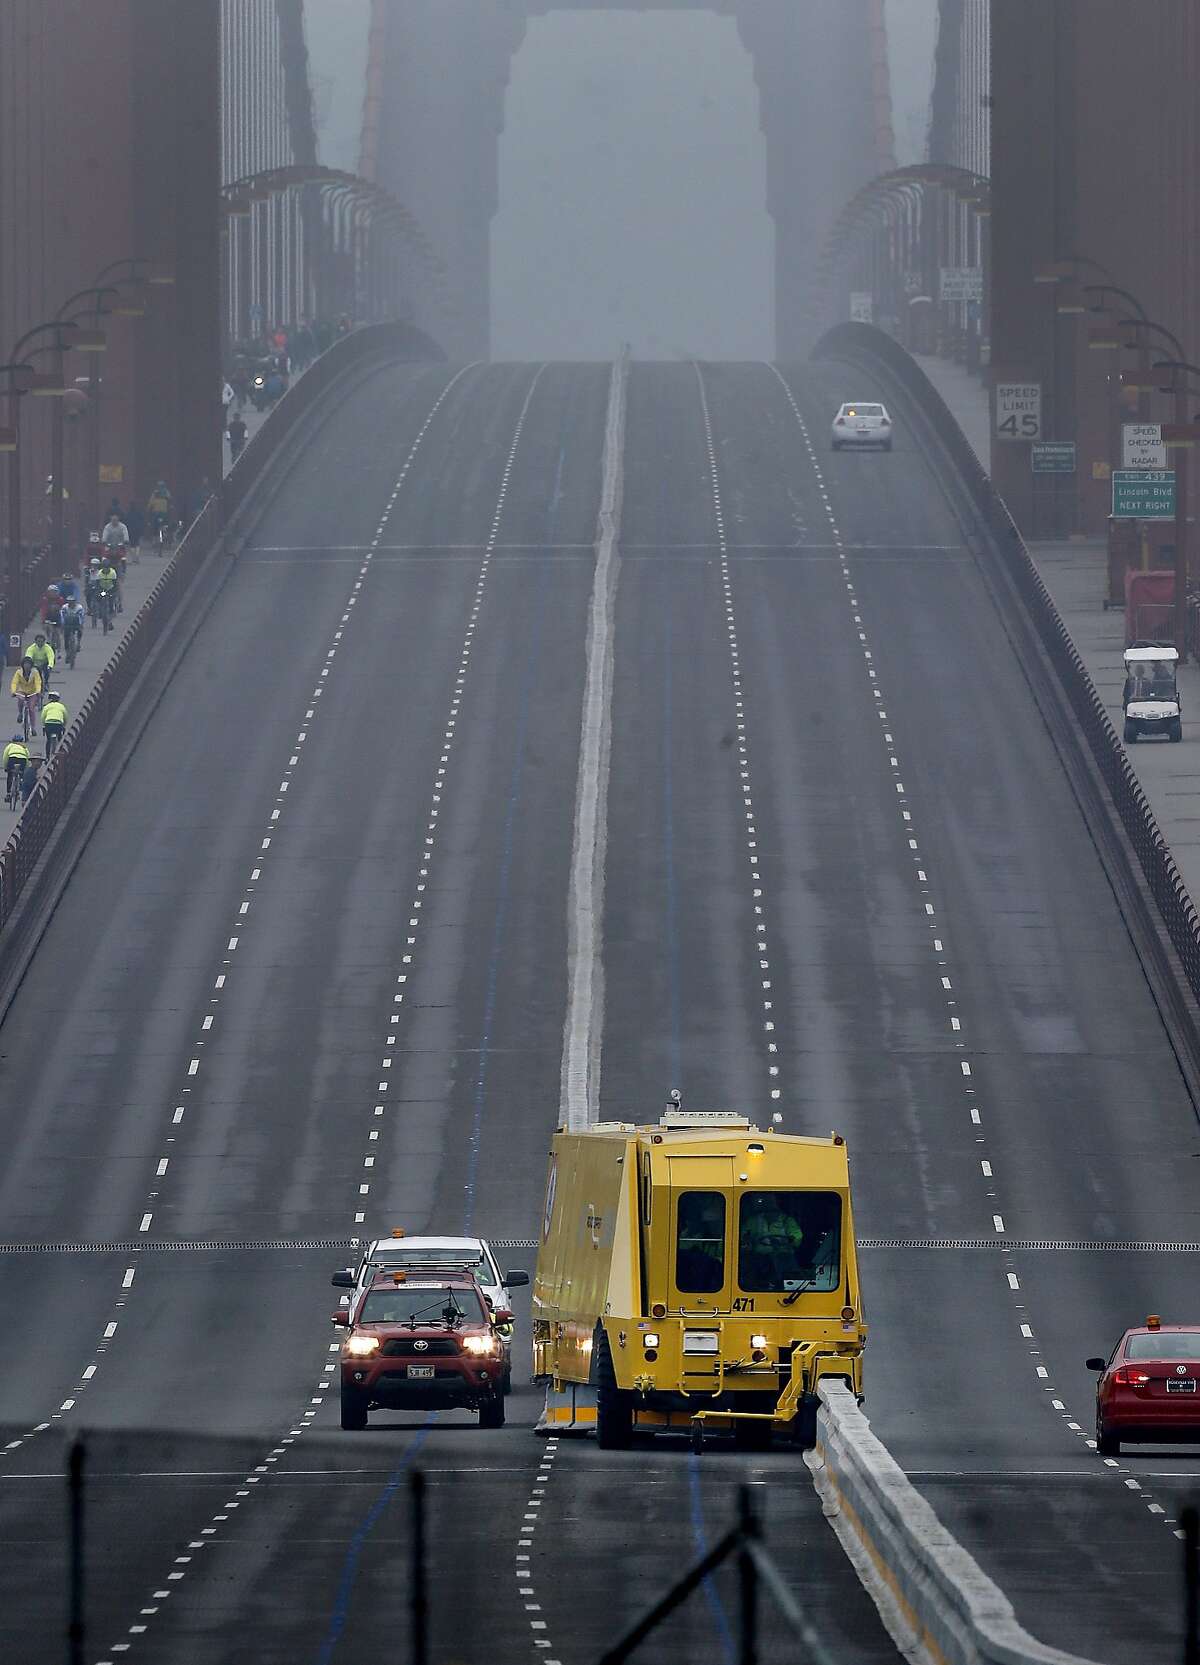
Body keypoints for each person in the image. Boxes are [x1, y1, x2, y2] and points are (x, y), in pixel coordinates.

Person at [10, 661, 41, 733]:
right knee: (20, 699)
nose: (27, 666)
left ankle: (33, 728)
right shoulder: (18, 672)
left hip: (32, 692)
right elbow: (14, 682)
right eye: (25, 664)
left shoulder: (35, 672)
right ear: (23, 665)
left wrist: (38, 691)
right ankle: (20, 713)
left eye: (28, 664)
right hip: (22, 691)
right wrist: (13, 691)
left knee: (31, 709)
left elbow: (38, 682)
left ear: (31, 665)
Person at [2, 733, 29, 803]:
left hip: (12, 758)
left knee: (10, 775)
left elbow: (5, 757)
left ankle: (8, 793)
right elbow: (27, 758)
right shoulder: (24, 747)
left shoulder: (10, 745)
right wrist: (26, 769)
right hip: (22, 759)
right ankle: (20, 785)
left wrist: (5, 767)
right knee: (21, 774)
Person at [41, 691, 67, 756]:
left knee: (48, 740)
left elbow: (43, 717)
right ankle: (60, 752)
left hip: (48, 723)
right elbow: (65, 717)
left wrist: (44, 725)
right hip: (58, 724)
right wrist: (64, 726)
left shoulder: (47, 706)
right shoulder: (61, 706)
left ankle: (47, 757)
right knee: (60, 739)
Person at [96, 552, 120, 624]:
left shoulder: (113, 573)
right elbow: (97, 584)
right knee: (99, 598)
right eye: (104, 567)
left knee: (111, 602)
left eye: (107, 567)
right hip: (102, 589)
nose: (105, 569)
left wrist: (113, 592)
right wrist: (100, 591)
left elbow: (115, 584)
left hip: (111, 589)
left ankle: (111, 614)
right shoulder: (99, 573)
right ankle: (99, 612)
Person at [62, 595, 85, 661]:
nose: (71, 603)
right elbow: (62, 616)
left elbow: (81, 616)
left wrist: (81, 624)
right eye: (69, 601)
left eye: (72, 601)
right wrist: (62, 623)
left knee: (80, 631)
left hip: (76, 623)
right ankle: (67, 653)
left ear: (75, 601)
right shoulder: (64, 607)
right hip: (67, 624)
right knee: (66, 637)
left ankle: (78, 643)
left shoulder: (79, 607)